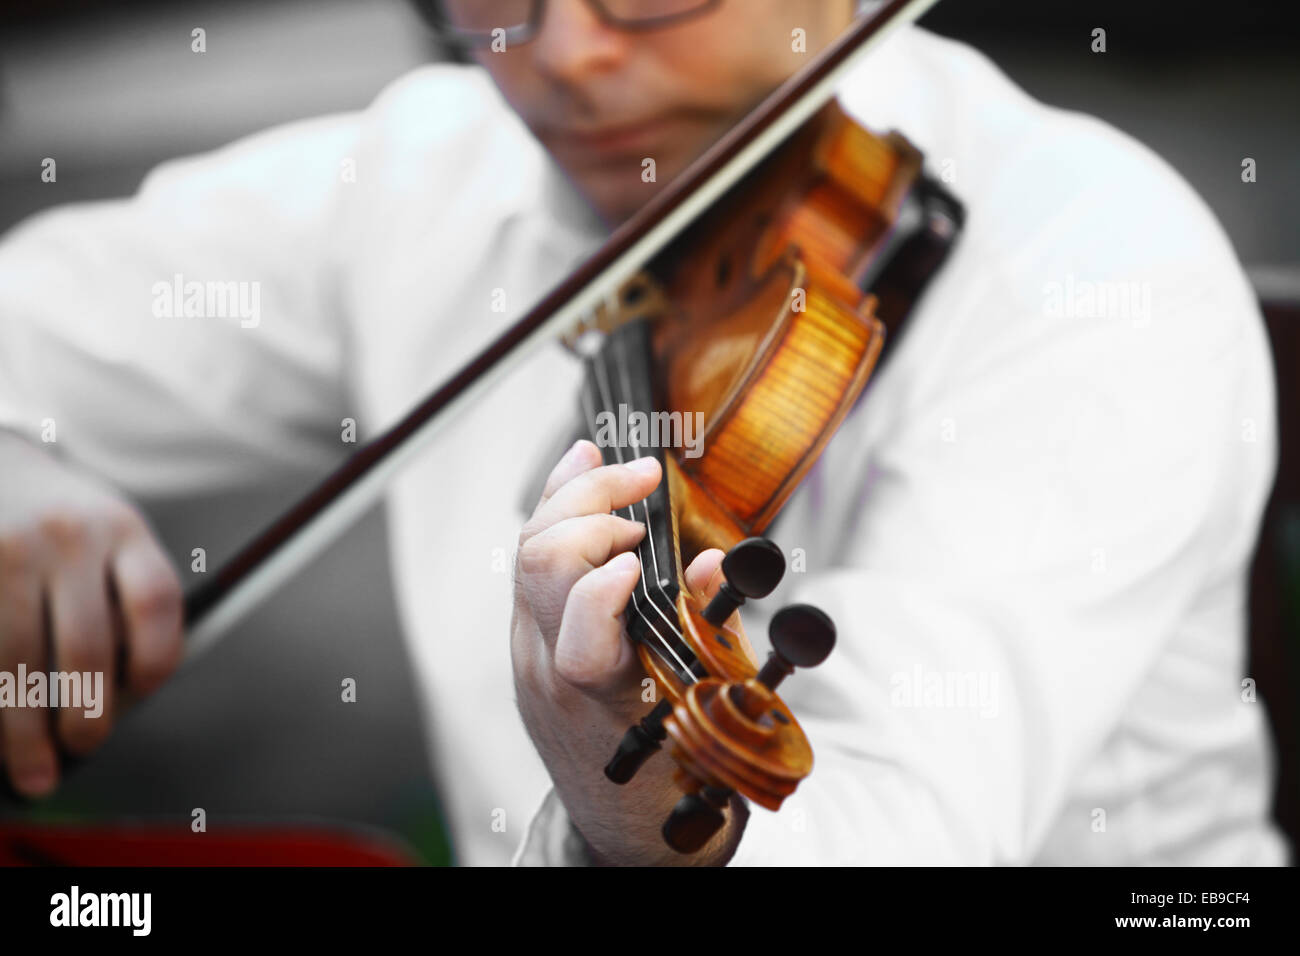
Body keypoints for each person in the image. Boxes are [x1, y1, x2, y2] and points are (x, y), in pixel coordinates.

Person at [0, 0, 1288, 866]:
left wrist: (638, 816)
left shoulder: (1090, 266)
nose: (565, 55)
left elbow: (888, 836)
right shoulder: (436, 169)